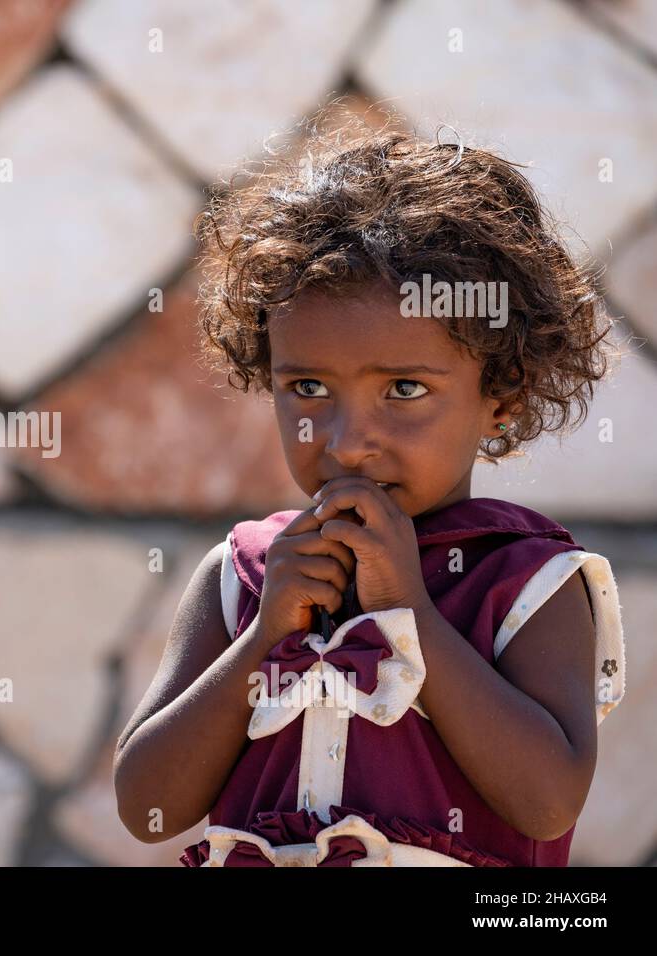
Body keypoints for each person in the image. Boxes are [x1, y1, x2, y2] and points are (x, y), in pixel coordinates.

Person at [114, 125, 629, 866]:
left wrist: (409, 613)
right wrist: (263, 640)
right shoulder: (244, 577)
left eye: (405, 389)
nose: (348, 441)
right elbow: (148, 809)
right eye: (308, 387)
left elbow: (546, 805)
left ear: (502, 395)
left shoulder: (528, 583)